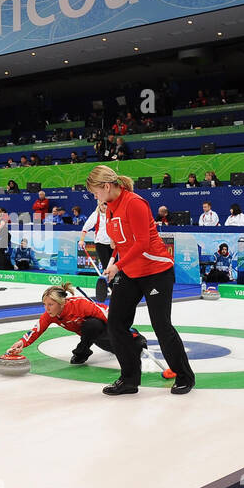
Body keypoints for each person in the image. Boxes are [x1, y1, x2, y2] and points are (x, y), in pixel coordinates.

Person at [85, 164, 195, 396]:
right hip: (131, 272)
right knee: (115, 324)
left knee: (161, 326)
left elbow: (142, 244)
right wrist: (113, 261)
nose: (94, 196)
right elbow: (120, 243)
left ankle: (185, 376)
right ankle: (129, 379)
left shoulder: (134, 203)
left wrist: (118, 265)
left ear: (106, 186)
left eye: (95, 191)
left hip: (156, 271)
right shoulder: (110, 207)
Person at [5, 283, 148, 367]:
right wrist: (21, 343)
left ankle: (136, 337)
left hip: (106, 327)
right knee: (97, 333)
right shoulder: (50, 315)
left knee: (93, 325)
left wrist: (129, 333)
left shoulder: (80, 304)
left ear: (61, 303)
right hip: (94, 337)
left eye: (50, 304)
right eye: (45, 304)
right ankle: (84, 352)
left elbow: (107, 314)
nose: (46, 308)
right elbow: (36, 330)